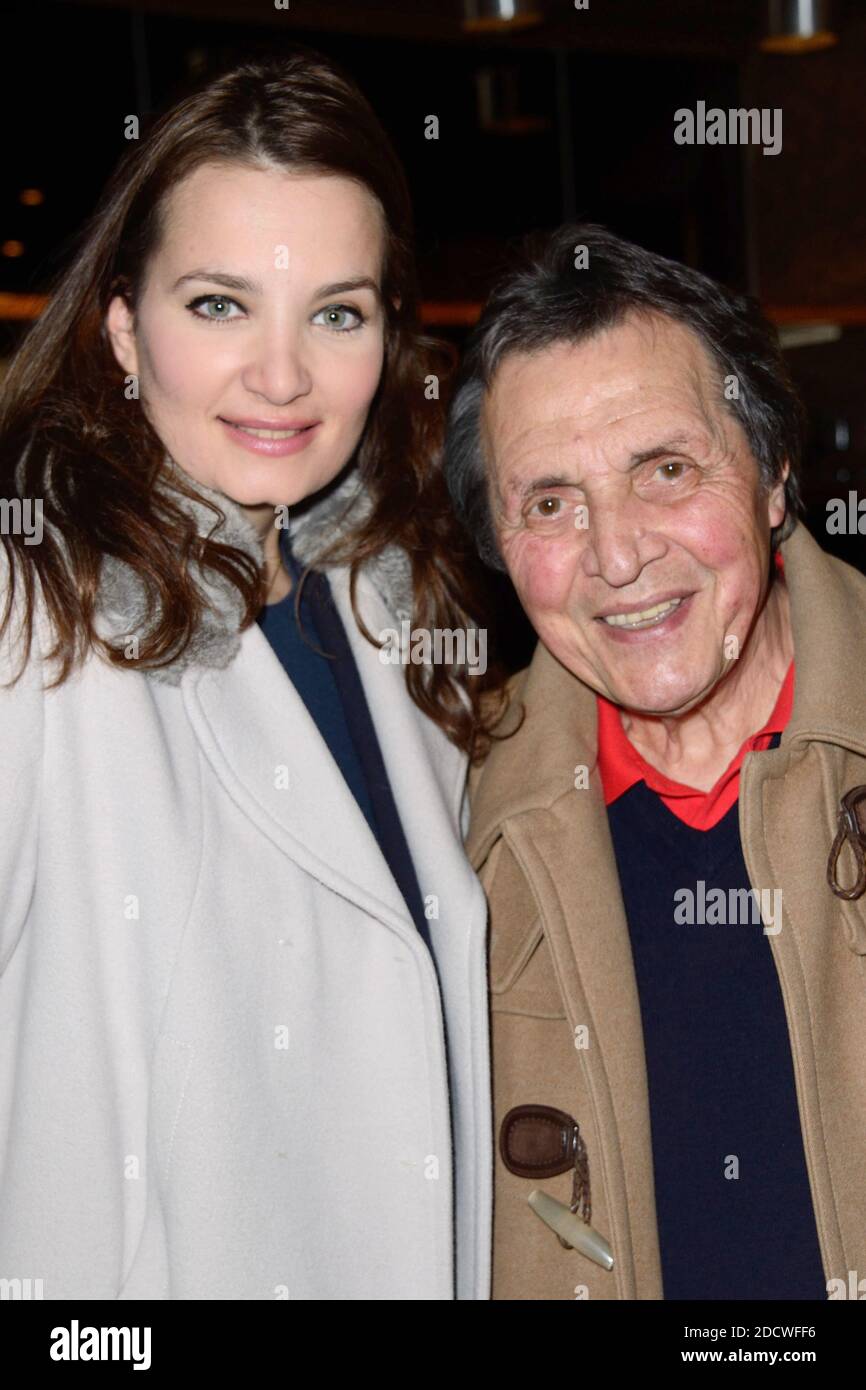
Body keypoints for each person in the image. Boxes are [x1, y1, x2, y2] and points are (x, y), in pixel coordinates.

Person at [0, 51, 492, 1301]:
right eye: (220, 304)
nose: (282, 378)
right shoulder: (32, 615)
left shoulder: (394, 614)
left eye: (336, 312)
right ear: (121, 325)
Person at [443, 222, 866, 1300]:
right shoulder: (448, 828)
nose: (617, 553)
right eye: (549, 502)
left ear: (772, 475)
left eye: (664, 470)